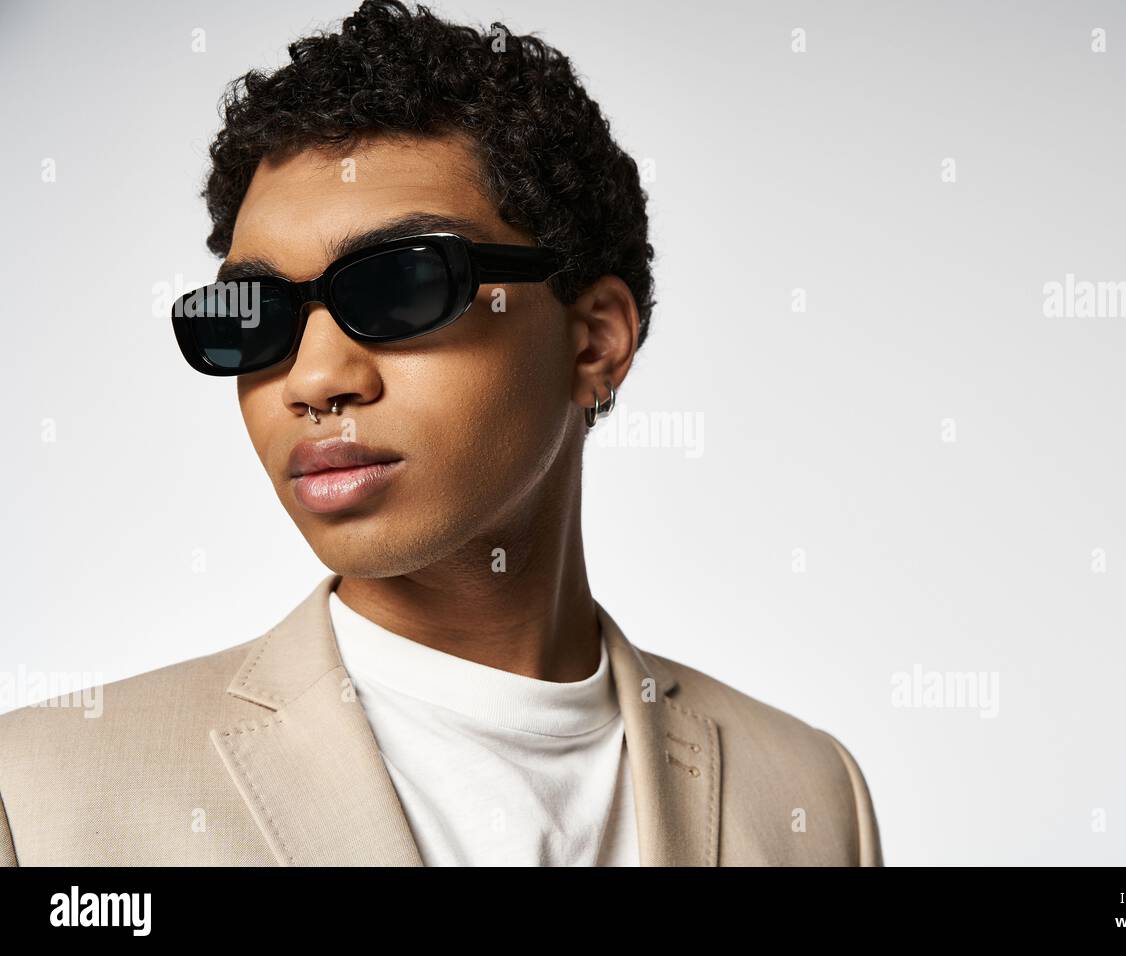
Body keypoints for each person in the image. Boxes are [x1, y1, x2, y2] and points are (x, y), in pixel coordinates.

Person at [0, 0, 881, 867]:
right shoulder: (43, 799)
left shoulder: (807, 791)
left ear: (595, 340)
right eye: (255, 317)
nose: (312, 381)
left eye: (402, 288)